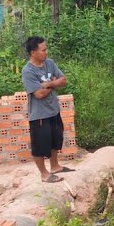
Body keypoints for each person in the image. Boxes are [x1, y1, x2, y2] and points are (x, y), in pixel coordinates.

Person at [21, 37, 70, 183]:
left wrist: (48, 84)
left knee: (56, 140)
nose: (46, 52)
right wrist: (54, 83)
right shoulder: (28, 71)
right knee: (40, 146)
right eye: (43, 50)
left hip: (53, 110)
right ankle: (44, 174)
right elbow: (39, 94)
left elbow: (63, 80)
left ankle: (55, 166)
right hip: (39, 115)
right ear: (33, 52)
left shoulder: (49, 63)